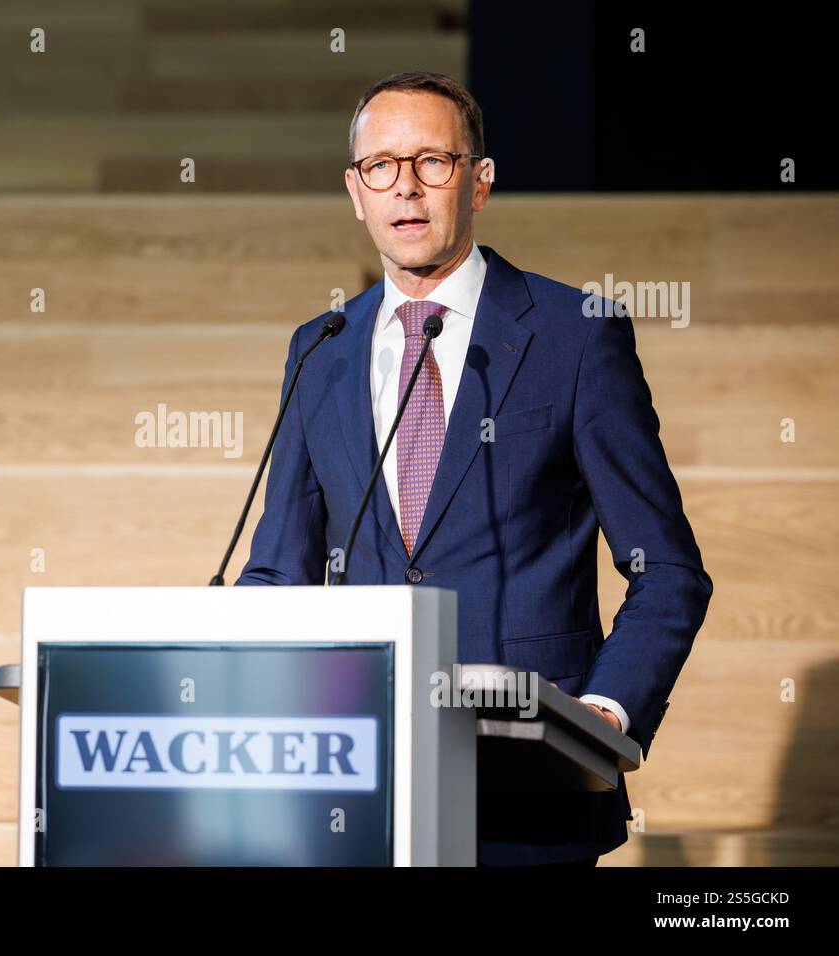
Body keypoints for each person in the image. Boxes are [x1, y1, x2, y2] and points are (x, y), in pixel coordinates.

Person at [235, 71, 713, 866]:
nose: (407, 187)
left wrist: (600, 715)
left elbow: (666, 570)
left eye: (434, 161)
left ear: (480, 182)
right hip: (361, 788)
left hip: (533, 788)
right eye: (381, 166)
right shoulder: (319, 349)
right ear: (355, 193)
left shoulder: (575, 335)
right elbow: (279, 571)